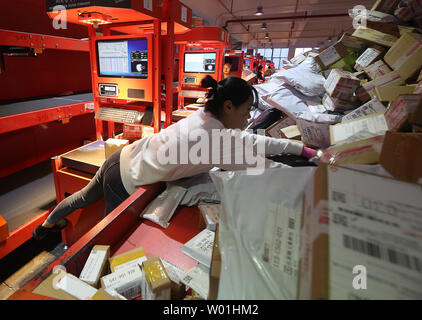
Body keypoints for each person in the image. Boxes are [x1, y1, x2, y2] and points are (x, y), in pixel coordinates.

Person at [33, 76, 317, 240]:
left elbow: (246, 141)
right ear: (228, 106)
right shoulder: (215, 140)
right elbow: (259, 167)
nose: (246, 120)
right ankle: (85, 275)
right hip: (123, 182)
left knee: (83, 197)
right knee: (108, 235)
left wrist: (299, 150)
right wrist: (309, 172)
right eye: (245, 113)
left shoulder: (205, 116)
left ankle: (45, 227)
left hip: (123, 156)